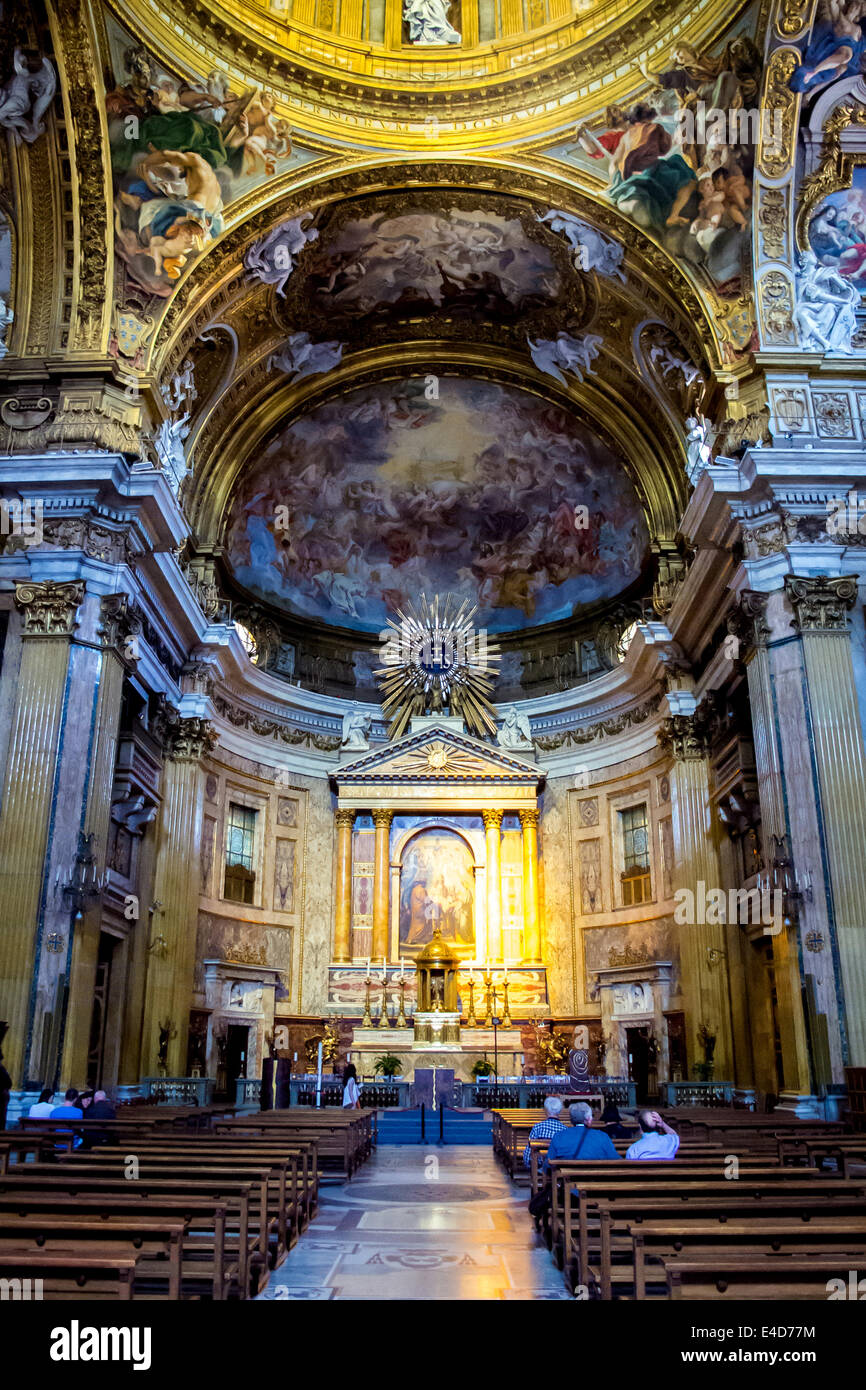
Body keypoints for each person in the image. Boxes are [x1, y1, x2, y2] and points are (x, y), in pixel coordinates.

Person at [543, 1101, 620, 1171]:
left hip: (568, 1179)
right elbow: (615, 1159)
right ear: (589, 1119)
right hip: (597, 1180)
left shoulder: (559, 1136)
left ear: (571, 1119)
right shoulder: (602, 1136)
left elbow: (549, 1161)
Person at [522, 1096, 567, 1167]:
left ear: (546, 1110)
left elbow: (528, 1153)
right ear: (560, 1111)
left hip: (539, 1166)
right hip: (558, 1166)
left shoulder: (538, 1127)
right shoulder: (565, 1130)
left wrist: (529, 1166)